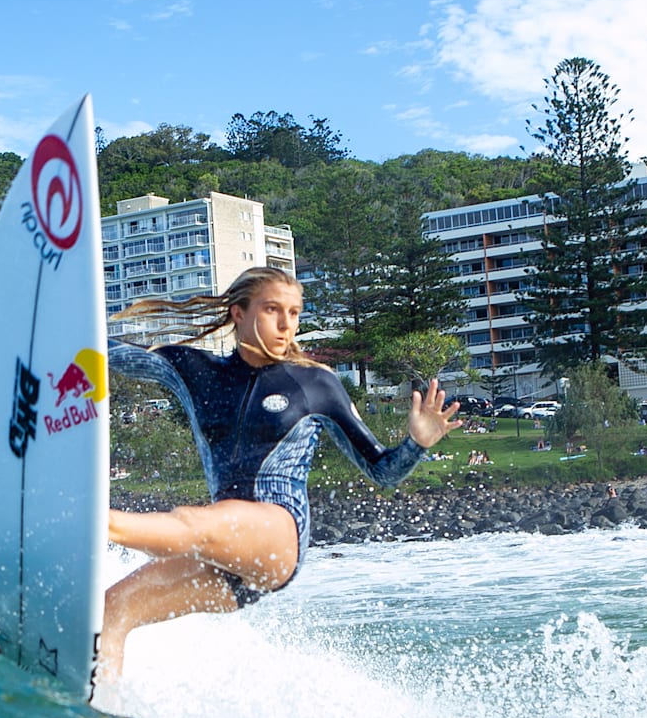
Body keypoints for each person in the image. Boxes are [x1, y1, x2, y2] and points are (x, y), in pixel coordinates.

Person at [99, 267, 461, 681]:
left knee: (196, 523)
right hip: (230, 568)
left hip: (277, 537)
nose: (286, 324)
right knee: (115, 608)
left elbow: (382, 471)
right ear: (239, 312)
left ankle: (95, 523)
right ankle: (99, 711)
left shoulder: (314, 384)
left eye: (294, 312)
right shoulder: (193, 370)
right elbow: (109, 354)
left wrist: (417, 442)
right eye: (273, 310)